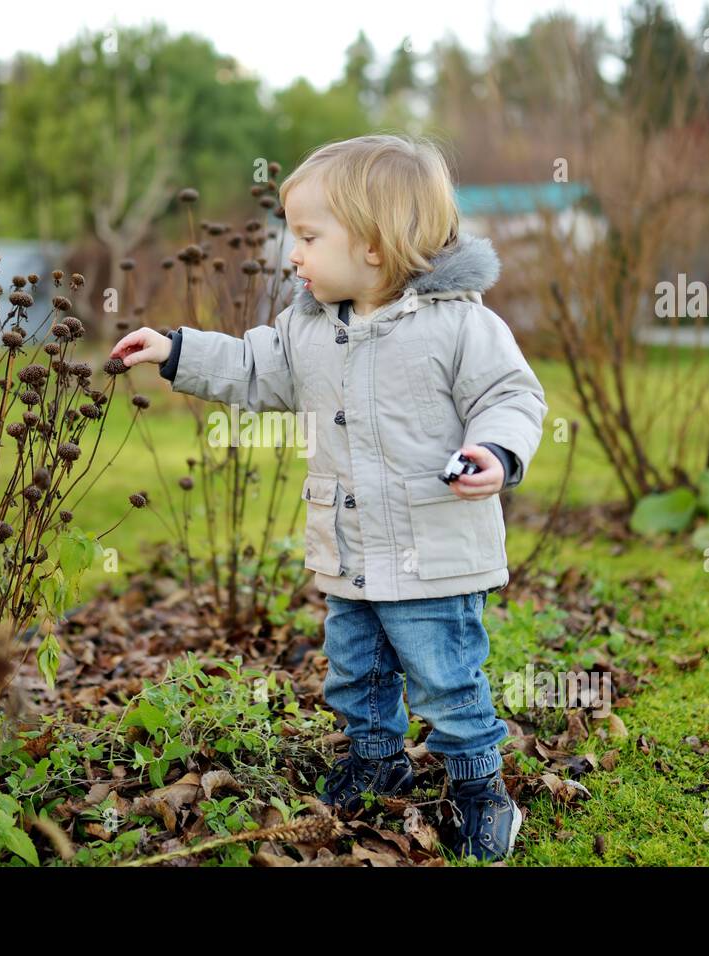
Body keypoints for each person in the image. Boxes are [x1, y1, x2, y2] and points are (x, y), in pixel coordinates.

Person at [109, 133, 548, 862]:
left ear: (375, 245)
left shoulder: (460, 324)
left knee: (445, 679)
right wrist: (176, 350)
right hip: (349, 554)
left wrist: (495, 453)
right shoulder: (306, 330)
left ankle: (480, 791)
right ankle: (376, 761)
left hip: (433, 554)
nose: (293, 253)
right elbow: (253, 367)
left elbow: (510, 395)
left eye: (309, 236)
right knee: (356, 673)